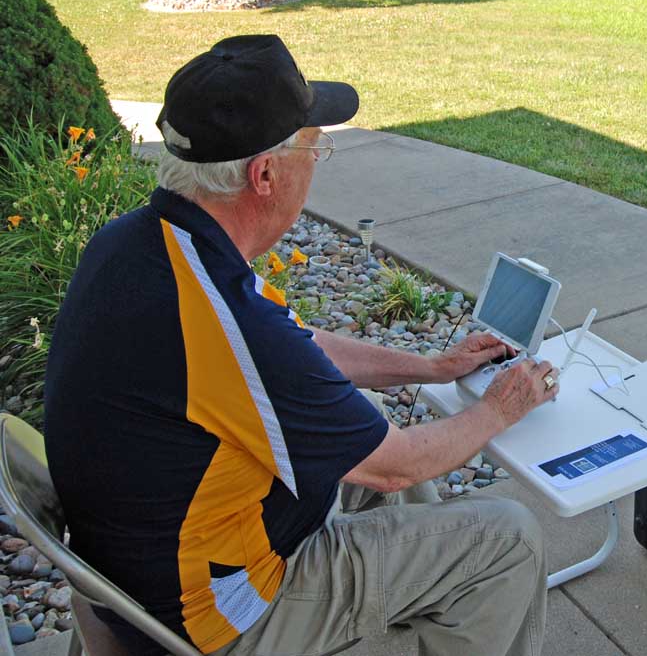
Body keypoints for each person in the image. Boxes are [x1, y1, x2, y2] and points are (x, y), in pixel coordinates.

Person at [43, 35, 559, 656]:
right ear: (265, 174)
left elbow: (296, 345)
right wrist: (501, 407)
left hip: (140, 571)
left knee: (361, 426)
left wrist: (429, 366)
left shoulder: (147, 243)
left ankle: (427, 588)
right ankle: (446, 591)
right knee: (510, 539)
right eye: (317, 148)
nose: (318, 162)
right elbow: (397, 467)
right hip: (219, 614)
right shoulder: (224, 315)